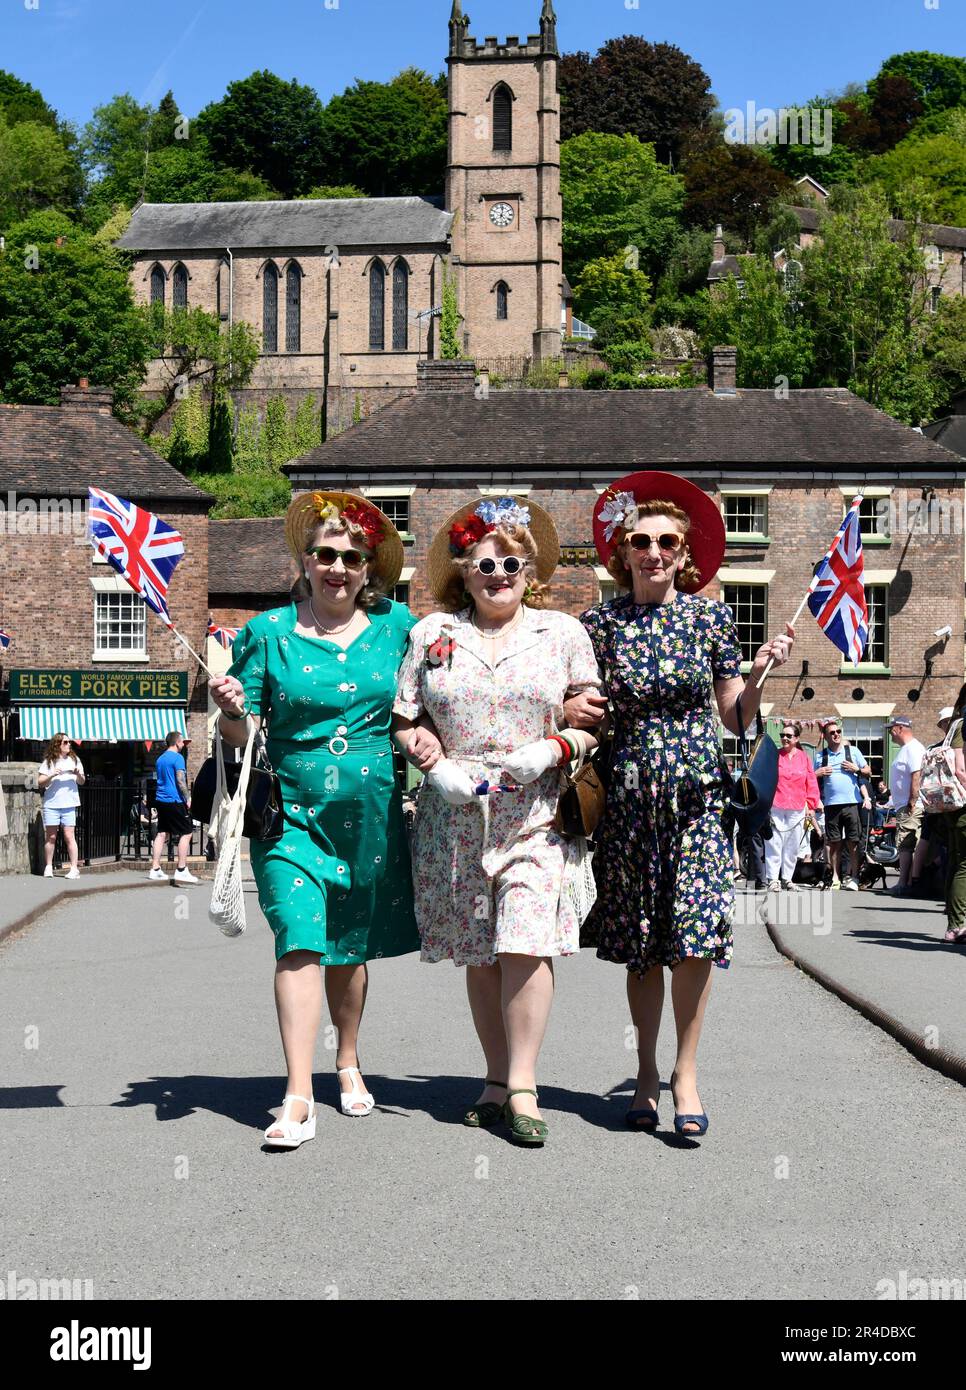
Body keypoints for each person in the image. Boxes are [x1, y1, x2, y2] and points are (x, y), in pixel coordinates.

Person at [566, 471, 794, 1137]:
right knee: (643, 945)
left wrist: (758, 675)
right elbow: (586, 708)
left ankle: (685, 1072)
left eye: (668, 541)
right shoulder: (600, 623)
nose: (655, 551)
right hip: (630, 802)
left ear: (685, 552)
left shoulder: (711, 617)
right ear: (624, 549)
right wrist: (569, 707)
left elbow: (734, 717)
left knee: (695, 938)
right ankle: (643, 1070)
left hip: (696, 798)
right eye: (642, 540)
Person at [210, 491, 437, 1150]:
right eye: (326, 554)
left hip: (367, 819)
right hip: (289, 817)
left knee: (350, 948)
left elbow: (433, 699)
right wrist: (227, 705)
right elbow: (238, 730)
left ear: (370, 567)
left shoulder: (401, 629)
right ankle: (298, 1095)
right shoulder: (267, 633)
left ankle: (348, 1059)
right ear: (305, 560)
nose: (339, 567)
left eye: (352, 557)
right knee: (300, 939)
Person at [393, 496, 601, 1148]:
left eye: (511, 561)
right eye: (484, 561)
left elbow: (592, 719)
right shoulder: (430, 635)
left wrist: (557, 746)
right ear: (463, 568)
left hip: (533, 813)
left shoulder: (563, 634)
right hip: (457, 816)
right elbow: (406, 719)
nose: (498, 572)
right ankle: (491, 1079)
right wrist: (429, 760)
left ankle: (523, 1085)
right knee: (481, 953)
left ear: (530, 567)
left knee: (524, 940)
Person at [812, 722, 870, 890]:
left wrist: (856, 769)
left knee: (853, 842)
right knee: (834, 842)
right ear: (825, 736)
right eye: (832, 732)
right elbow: (810, 780)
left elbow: (868, 771)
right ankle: (835, 877)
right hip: (831, 805)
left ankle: (854, 877)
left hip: (852, 803)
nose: (836, 734)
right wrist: (818, 773)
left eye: (838, 731)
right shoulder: (820, 756)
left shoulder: (852, 751)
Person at [766, 721, 821, 892]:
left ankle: (787, 879)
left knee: (792, 845)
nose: (784, 738)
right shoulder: (774, 756)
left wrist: (811, 804)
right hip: (776, 805)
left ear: (796, 739)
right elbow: (766, 780)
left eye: (788, 736)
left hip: (797, 806)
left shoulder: (804, 758)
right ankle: (773, 879)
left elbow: (810, 781)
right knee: (774, 843)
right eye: (782, 735)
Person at [910, 708, 954, 896]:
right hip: (942, 804)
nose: (948, 724)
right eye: (946, 722)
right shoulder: (934, 749)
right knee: (941, 844)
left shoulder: (937, 749)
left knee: (945, 846)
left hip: (945, 803)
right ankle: (921, 880)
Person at [149, 732, 199, 885]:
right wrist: (188, 798)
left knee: (162, 833)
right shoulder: (178, 758)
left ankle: (155, 869)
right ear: (177, 742)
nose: (183, 744)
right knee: (187, 832)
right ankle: (182, 869)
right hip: (174, 800)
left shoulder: (160, 758)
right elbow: (180, 780)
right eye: (182, 741)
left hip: (161, 799)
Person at [886, 716, 926, 897]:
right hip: (904, 805)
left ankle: (903, 883)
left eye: (891, 728)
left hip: (910, 805)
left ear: (900, 728)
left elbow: (916, 775)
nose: (890, 732)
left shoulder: (913, 748)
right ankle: (907, 881)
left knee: (906, 843)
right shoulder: (907, 749)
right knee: (907, 843)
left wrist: (912, 800)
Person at [37, 732, 84, 879]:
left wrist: (78, 775)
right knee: (51, 836)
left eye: (69, 742)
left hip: (69, 803)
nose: (69, 744)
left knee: (69, 836)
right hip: (52, 803)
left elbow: (82, 781)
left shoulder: (75, 760)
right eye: (65, 742)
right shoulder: (49, 762)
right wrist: (52, 774)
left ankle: (74, 868)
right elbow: (40, 781)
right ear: (57, 744)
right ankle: (49, 867)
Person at [941, 685, 966, 943]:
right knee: (963, 863)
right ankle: (958, 924)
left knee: (958, 861)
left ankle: (954, 923)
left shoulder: (956, 725)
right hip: (963, 802)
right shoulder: (962, 726)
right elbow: (960, 769)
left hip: (952, 804)